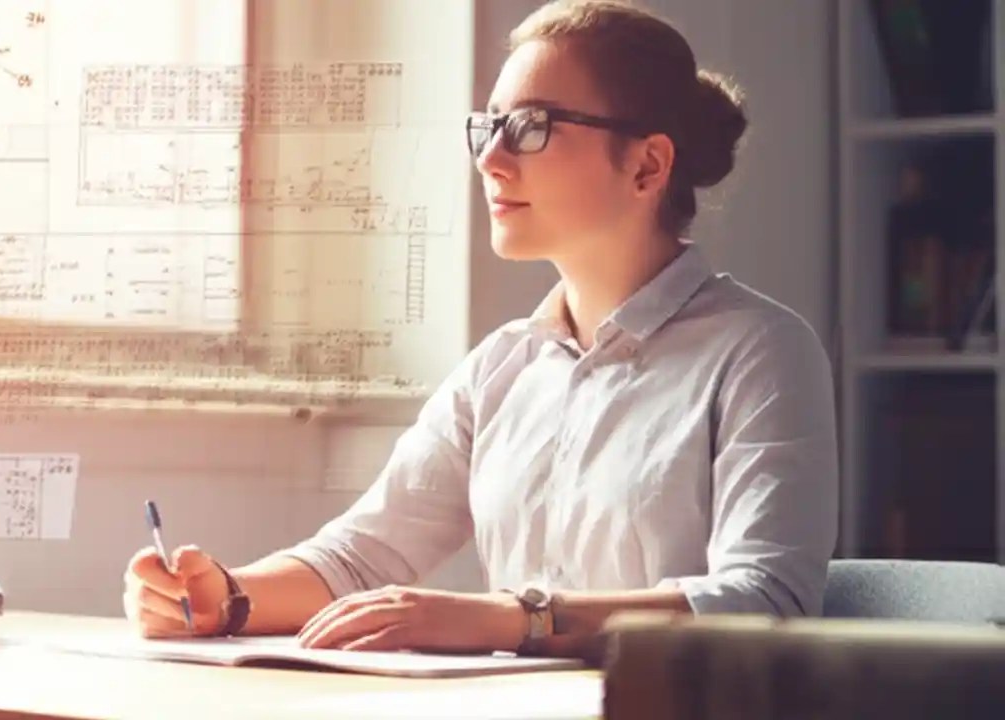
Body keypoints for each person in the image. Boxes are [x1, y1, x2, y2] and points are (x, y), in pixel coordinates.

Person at [123, 0, 838, 658]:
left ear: (647, 165)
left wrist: (514, 618)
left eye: (531, 127)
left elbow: (764, 602)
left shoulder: (760, 350)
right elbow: (364, 556)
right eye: (489, 126)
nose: (491, 159)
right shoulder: (502, 366)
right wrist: (228, 597)